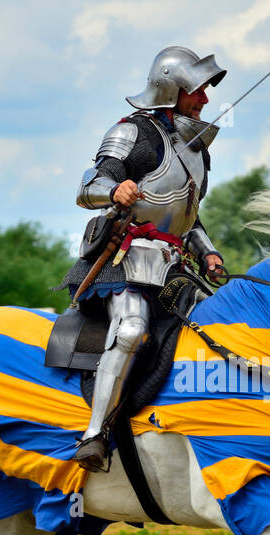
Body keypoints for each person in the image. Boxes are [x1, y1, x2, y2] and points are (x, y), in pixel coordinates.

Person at [62, 45, 229, 472]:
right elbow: (89, 185)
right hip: (125, 261)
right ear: (172, 91)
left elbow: (186, 218)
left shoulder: (196, 148)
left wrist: (208, 255)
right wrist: (113, 191)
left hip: (175, 269)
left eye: (205, 91)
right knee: (133, 330)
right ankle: (95, 434)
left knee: (220, 332)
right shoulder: (131, 132)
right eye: (198, 91)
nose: (205, 99)